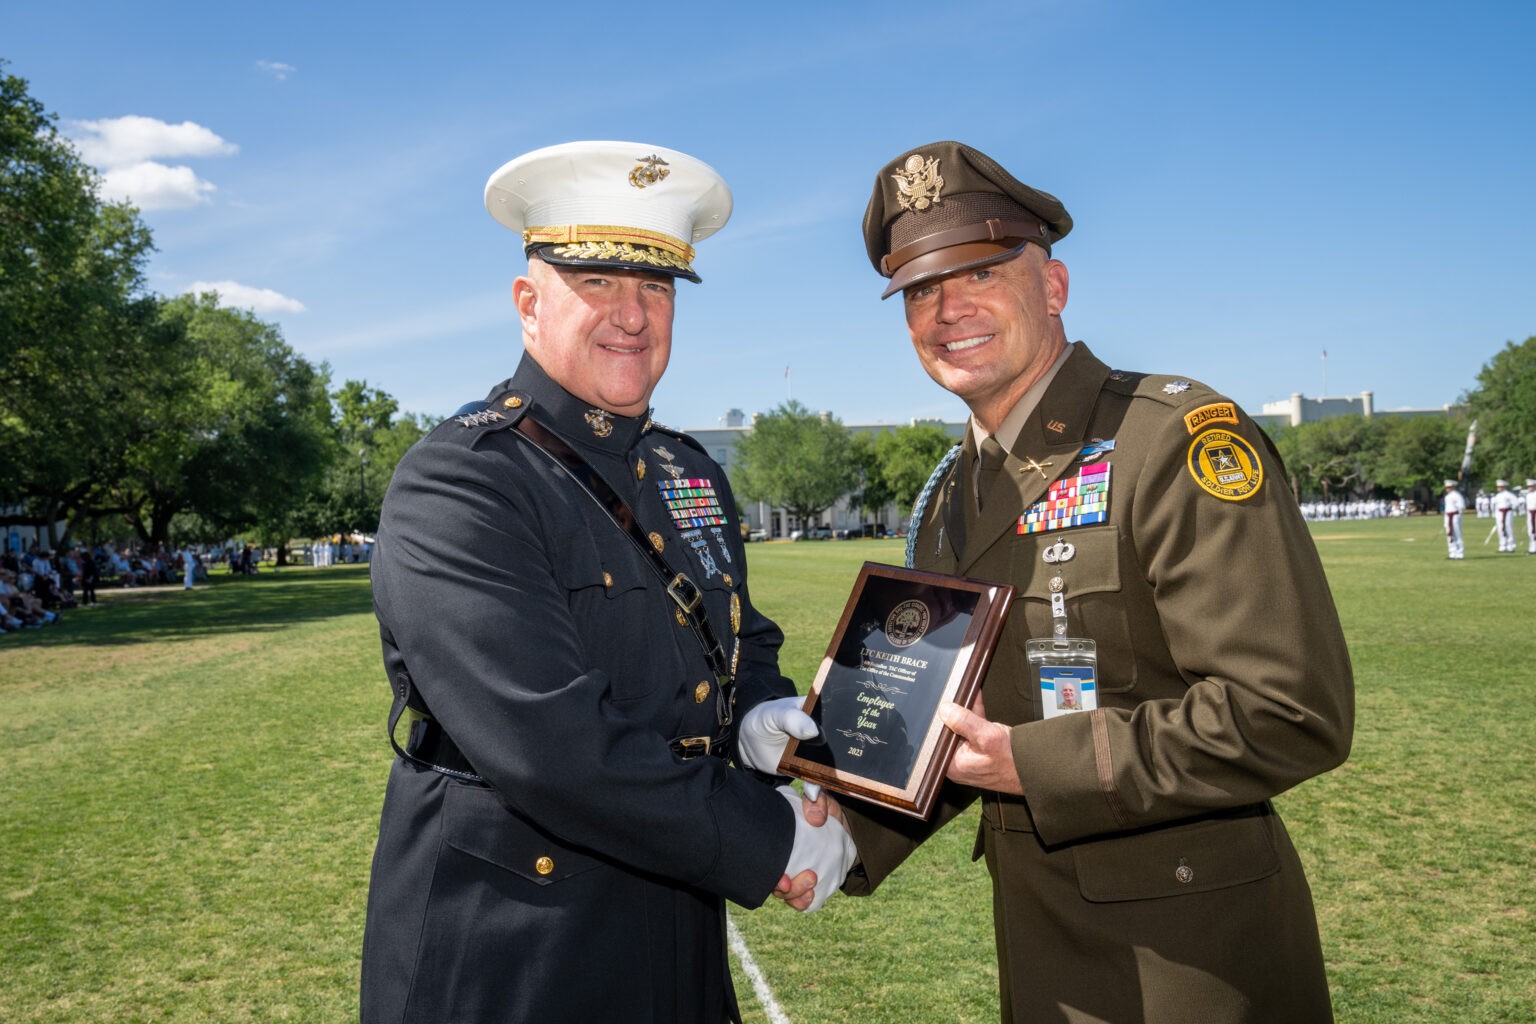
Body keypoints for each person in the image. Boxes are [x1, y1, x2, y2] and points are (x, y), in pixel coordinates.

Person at [829, 141, 1356, 1023]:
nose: (947, 309)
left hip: (1190, 959)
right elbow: (952, 730)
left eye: (982, 273)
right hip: (1042, 954)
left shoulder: (1175, 440)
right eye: (919, 290)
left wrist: (1032, 764)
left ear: (1054, 286)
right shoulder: (951, 495)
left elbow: (1288, 712)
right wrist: (830, 829)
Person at [359, 141, 853, 1024]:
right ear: (527, 302)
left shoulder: (687, 470)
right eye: (597, 283)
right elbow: (550, 741)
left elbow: (738, 634)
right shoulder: (463, 479)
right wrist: (768, 837)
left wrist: (757, 713)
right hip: (518, 945)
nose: (632, 315)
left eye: (655, 289)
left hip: (673, 918)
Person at [1491, 478, 1519, 553]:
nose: (1498, 488)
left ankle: (1511, 546)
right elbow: (1496, 506)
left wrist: (1510, 508)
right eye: (1498, 487)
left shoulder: (1509, 495)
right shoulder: (1497, 496)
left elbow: (1516, 503)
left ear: (1504, 487)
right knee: (1501, 529)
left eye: (1500, 487)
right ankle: (1502, 545)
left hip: (1507, 513)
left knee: (1508, 528)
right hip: (1499, 513)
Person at [1444, 479, 1467, 559]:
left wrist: (1458, 516)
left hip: (1455, 516)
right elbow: (1447, 509)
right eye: (1446, 487)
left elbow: (1461, 507)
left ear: (1453, 487)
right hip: (1448, 517)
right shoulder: (1447, 496)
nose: (1447, 489)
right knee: (1450, 535)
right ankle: (1452, 553)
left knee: (1457, 535)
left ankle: (1460, 553)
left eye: (1449, 487)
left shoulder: (1457, 495)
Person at [1525, 478, 1536, 554]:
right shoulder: (1528, 495)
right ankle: (1532, 547)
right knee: (1530, 531)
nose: (1529, 488)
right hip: (1530, 514)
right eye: (1528, 486)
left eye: (1531, 486)